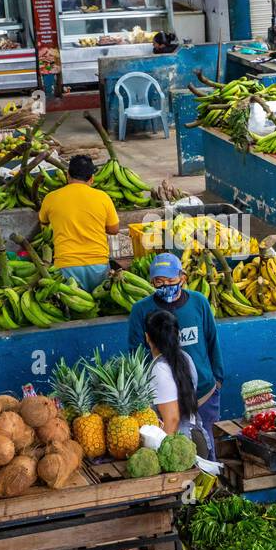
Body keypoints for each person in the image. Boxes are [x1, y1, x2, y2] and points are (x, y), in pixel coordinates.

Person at [127, 253, 223, 455]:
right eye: (159, 282)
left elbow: (212, 339)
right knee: (175, 453)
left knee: (205, 446)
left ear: (183, 277)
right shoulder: (141, 310)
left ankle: (212, 484)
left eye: (171, 280)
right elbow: (135, 353)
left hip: (203, 392)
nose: (166, 286)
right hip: (165, 397)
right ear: (152, 282)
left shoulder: (199, 302)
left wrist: (218, 378)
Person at [36, 154, 119, 292]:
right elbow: (114, 229)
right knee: (100, 305)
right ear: (92, 178)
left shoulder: (50, 198)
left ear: (68, 175)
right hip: (98, 264)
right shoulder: (103, 197)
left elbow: (43, 223)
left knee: (74, 307)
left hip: (66, 265)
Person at [144, 308, 209, 457]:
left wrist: (160, 457)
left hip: (180, 449)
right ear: (178, 335)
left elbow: (172, 420)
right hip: (192, 439)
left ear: (147, 337)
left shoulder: (160, 369)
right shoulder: (185, 358)